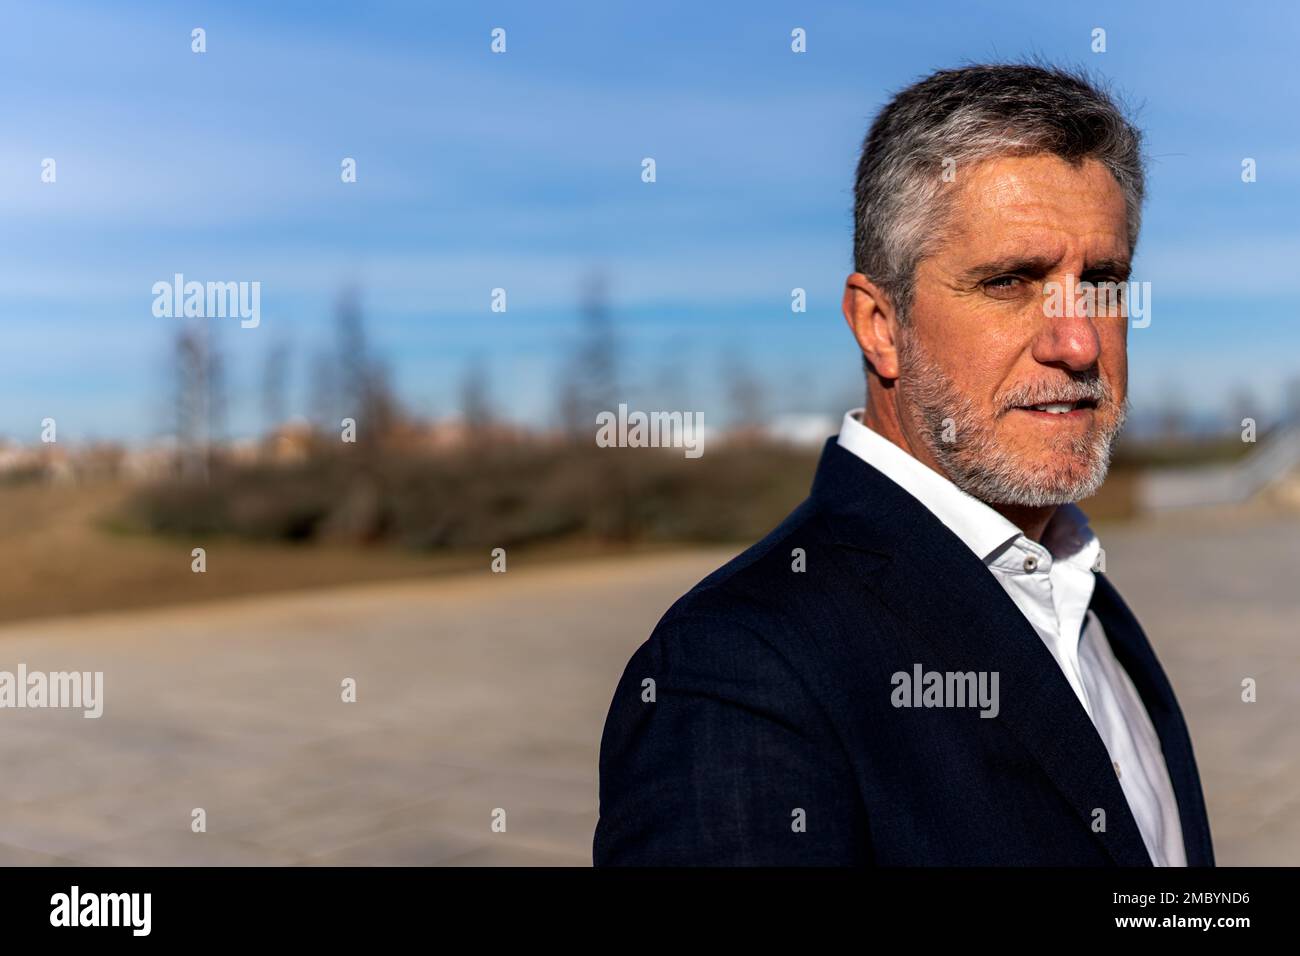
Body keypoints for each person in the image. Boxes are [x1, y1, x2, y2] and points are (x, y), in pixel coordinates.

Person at [593, 63, 1214, 866]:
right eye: (1010, 282)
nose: (1079, 341)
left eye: (1101, 282)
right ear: (880, 325)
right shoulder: (737, 671)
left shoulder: (1077, 588)